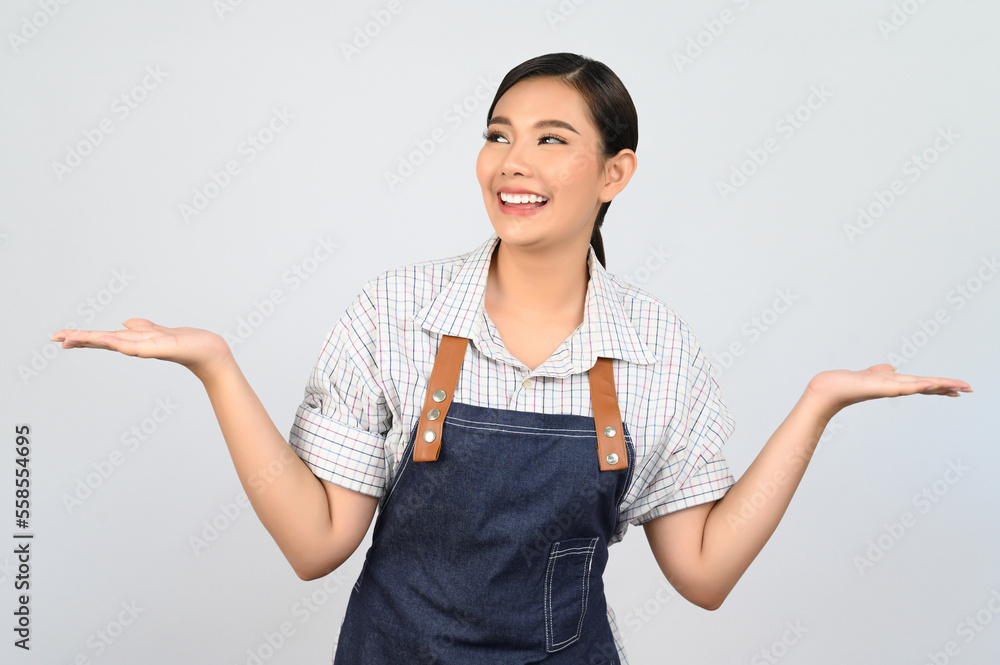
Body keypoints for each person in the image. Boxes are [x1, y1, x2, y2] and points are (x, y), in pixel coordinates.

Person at [51, 53, 971, 664]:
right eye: (498, 134)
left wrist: (817, 404)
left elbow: (704, 573)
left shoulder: (656, 348)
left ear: (616, 175)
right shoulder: (395, 311)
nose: (511, 162)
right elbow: (314, 544)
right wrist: (215, 364)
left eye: (550, 139)